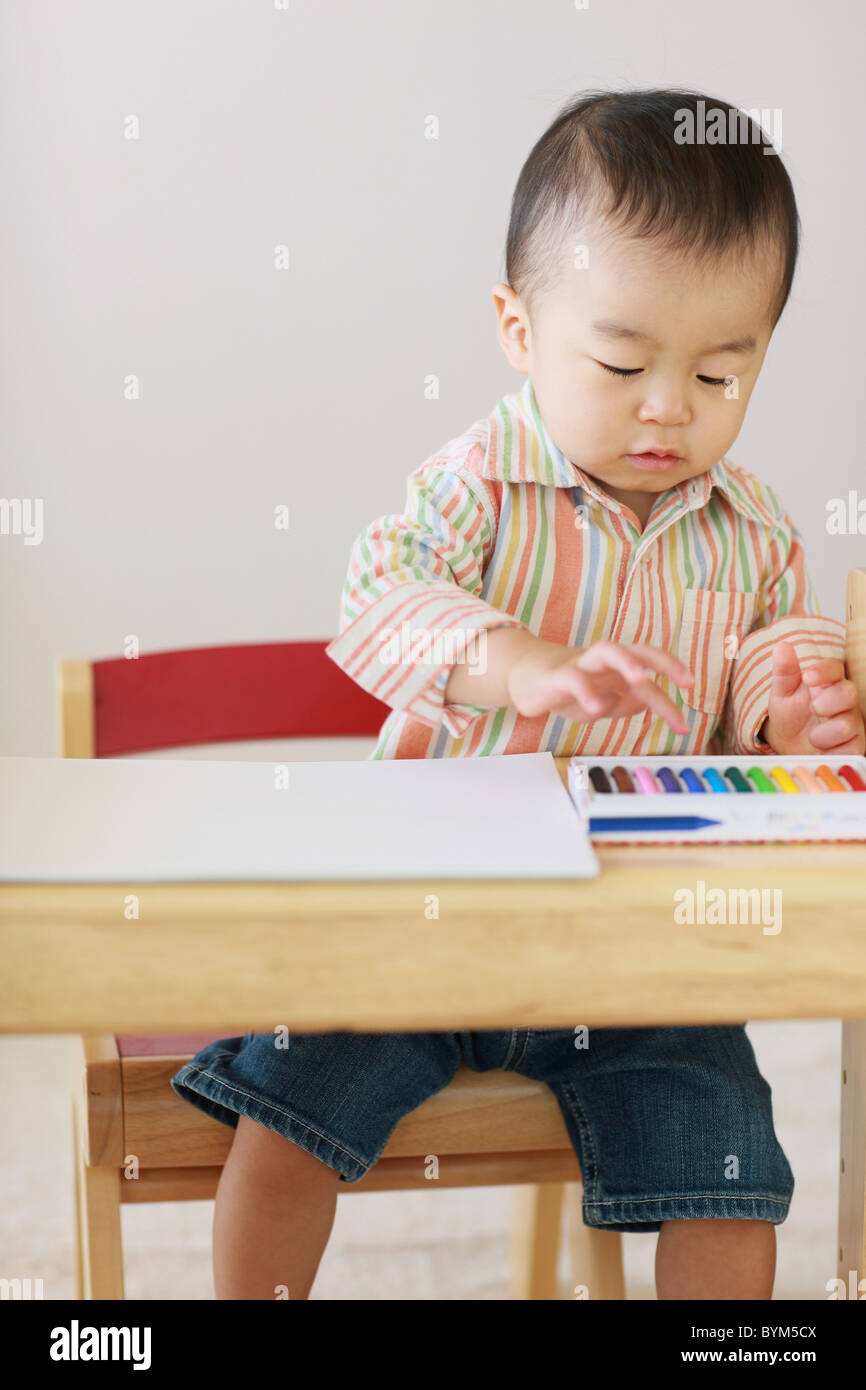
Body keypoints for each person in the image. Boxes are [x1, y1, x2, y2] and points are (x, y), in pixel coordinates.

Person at [172, 88, 865, 1300]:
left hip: (641, 952)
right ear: (516, 324)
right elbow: (379, 598)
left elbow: (767, 645)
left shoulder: (748, 523)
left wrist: (788, 710)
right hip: (427, 924)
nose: (666, 405)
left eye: (718, 371)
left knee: (732, 1174)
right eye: (620, 360)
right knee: (283, 1118)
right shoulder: (472, 490)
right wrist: (515, 660)